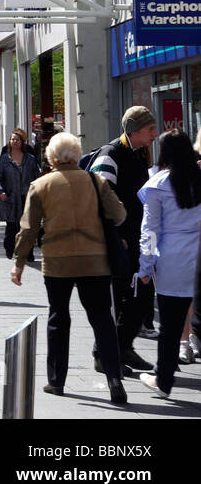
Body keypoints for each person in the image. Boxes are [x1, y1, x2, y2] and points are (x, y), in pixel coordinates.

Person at [11, 132, 129, 405]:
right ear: (77, 155)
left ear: (51, 157)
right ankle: (114, 378)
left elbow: (28, 229)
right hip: (95, 260)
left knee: (58, 318)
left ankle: (57, 381)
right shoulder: (95, 180)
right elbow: (119, 214)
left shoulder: (41, 185)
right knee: (101, 318)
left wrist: (19, 263)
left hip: (57, 262)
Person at [88, 106, 159, 375]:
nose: (154, 133)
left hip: (139, 237)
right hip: (119, 240)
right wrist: (115, 236)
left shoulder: (140, 153)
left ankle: (123, 346)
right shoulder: (111, 153)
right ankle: (103, 354)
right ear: (135, 129)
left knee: (140, 297)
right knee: (119, 298)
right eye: (150, 129)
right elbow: (98, 196)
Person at [135, 130, 201, 398]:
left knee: (171, 325)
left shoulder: (158, 184)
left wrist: (145, 267)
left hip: (172, 258)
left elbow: (150, 230)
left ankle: (163, 380)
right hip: (198, 254)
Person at [0, 129, 41, 260]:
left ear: (22, 142)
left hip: (27, 197)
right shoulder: (5, 159)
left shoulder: (30, 159)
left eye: (17, 140)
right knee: (11, 227)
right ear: (9, 142)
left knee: (28, 227)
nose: (15, 142)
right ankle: (10, 248)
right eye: (13, 139)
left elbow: (37, 177)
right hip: (10, 197)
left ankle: (28, 252)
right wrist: (1, 191)